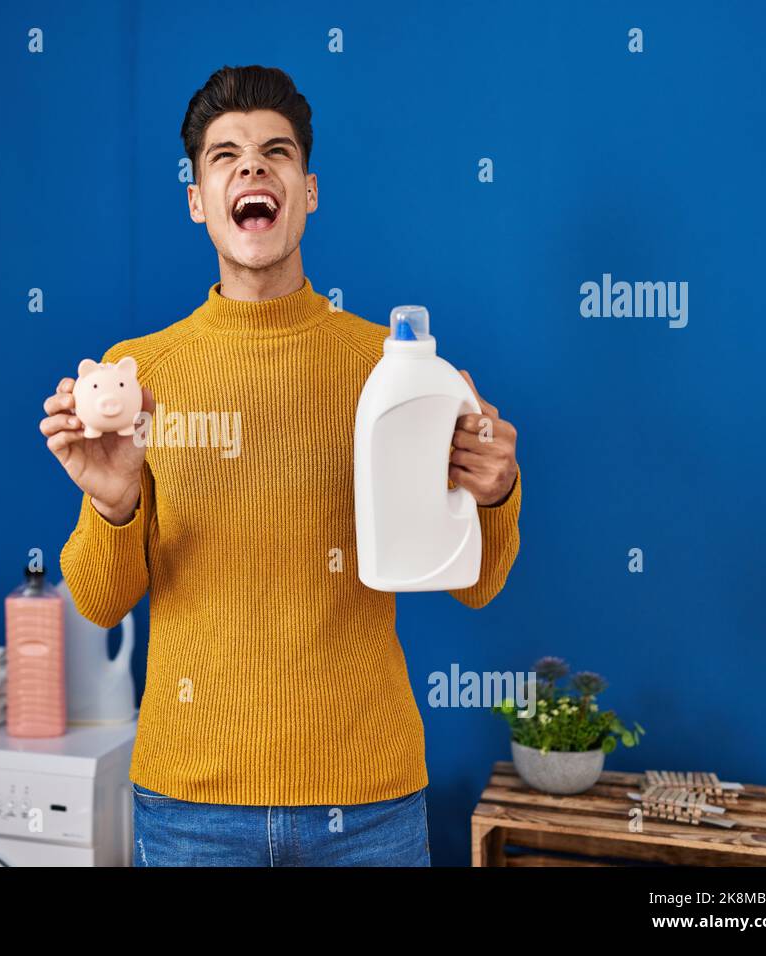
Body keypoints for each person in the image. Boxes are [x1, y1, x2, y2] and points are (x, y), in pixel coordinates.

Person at [39, 65, 520, 866]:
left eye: (276, 152)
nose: (252, 168)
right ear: (198, 200)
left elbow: (478, 582)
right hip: (191, 807)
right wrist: (116, 502)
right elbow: (97, 598)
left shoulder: (391, 368)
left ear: (308, 190)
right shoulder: (139, 374)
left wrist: (494, 489)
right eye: (225, 156)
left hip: (367, 804)